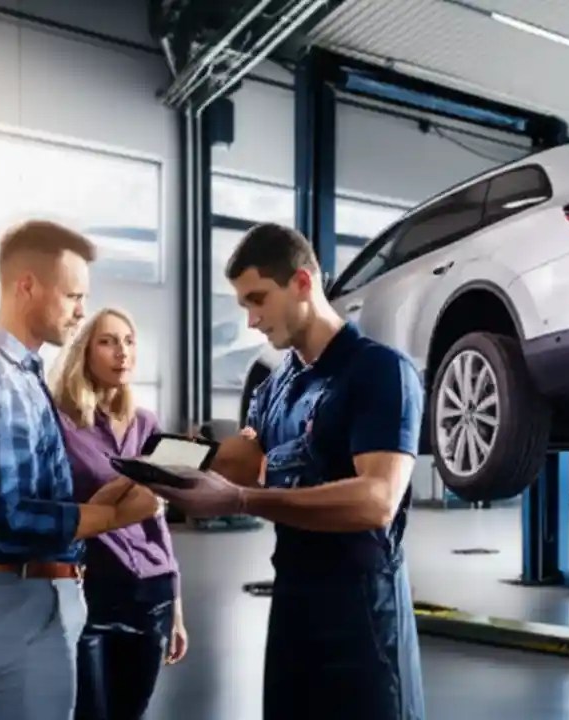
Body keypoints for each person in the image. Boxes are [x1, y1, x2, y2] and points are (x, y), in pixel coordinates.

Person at [143, 223, 426, 720]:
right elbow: (245, 460)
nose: (251, 321)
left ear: (302, 282)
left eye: (258, 300)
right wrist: (164, 458)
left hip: (363, 614)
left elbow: (376, 500)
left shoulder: (380, 372)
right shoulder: (274, 387)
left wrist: (239, 501)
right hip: (295, 601)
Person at [0, 220, 161, 720]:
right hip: (17, 604)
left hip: (38, 597)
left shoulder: (23, 374)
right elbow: (1, 522)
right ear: (27, 286)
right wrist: (112, 519)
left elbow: (29, 498)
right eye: (74, 295)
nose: (82, 310)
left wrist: (99, 504)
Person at [49, 306, 188, 719]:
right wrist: (131, 481)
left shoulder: (145, 423)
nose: (122, 352)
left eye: (129, 341)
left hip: (153, 591)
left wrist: (176, 606)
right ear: (84, 352)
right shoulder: (59, 423)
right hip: (92, 592)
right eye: (108, 341)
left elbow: (155, 518)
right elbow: (65, 510)